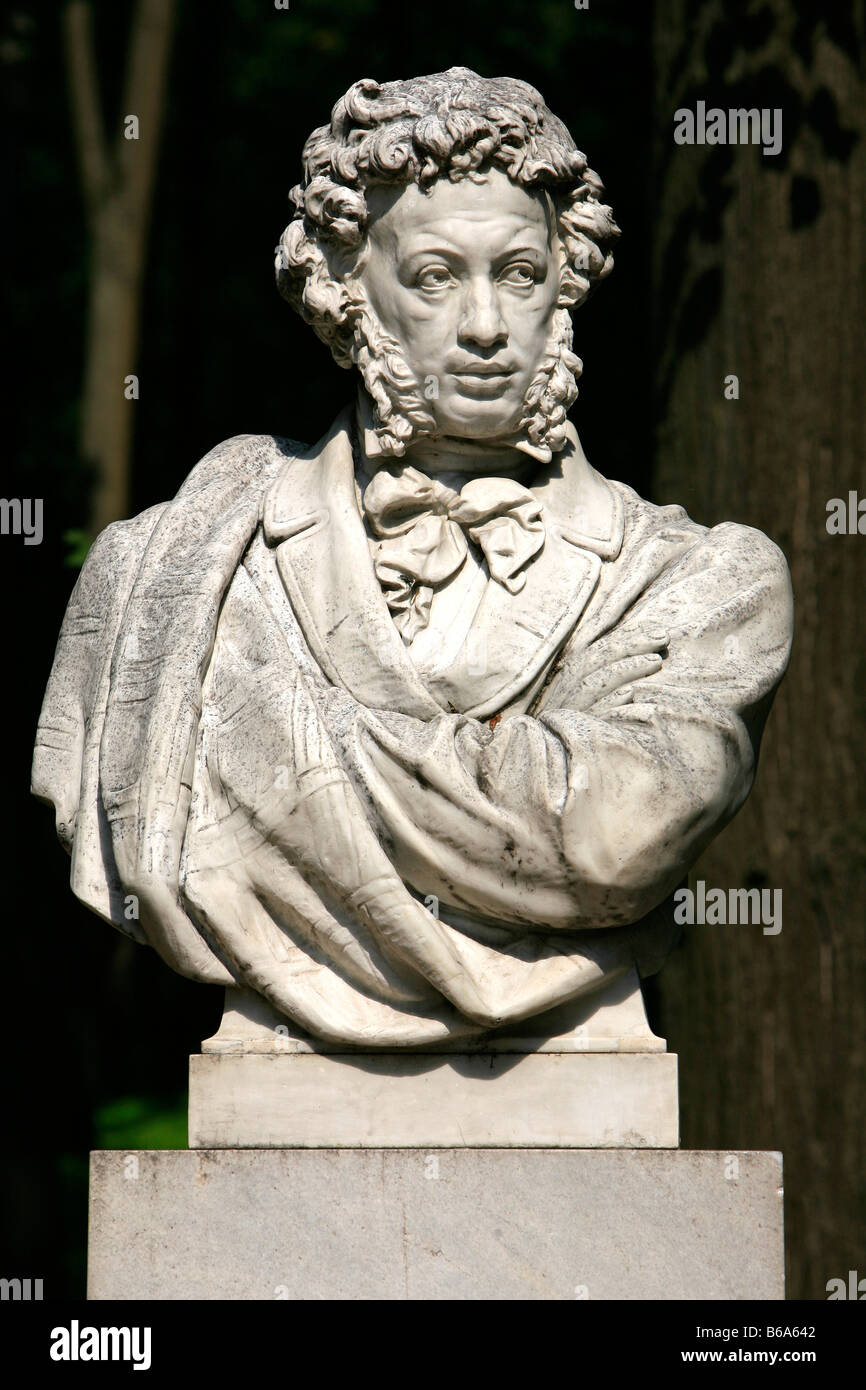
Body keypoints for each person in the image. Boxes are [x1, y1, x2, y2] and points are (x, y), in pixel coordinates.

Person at [32, 69, 793, 1047]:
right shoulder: (175, 577)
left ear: (563, 283)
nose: (485, 327)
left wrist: (272, 739)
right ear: (345, 294)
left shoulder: (699, 585)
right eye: (435, 277)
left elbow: (614, 835)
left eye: (517, 275)